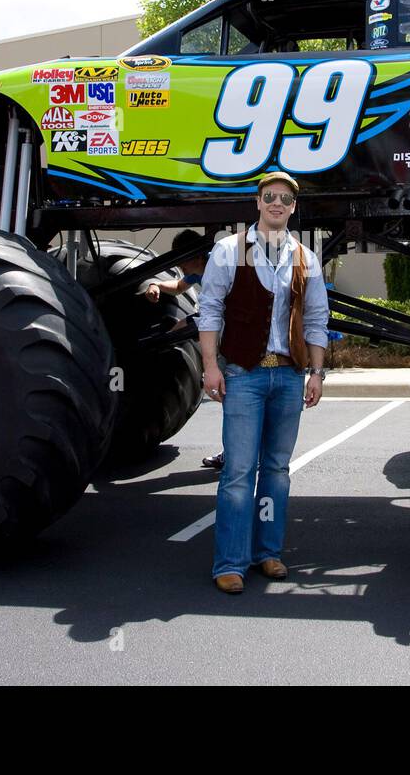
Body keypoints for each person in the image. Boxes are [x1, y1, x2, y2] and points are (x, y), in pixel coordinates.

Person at [196, 172, 330, 594]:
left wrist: (316, 371)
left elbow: (315, 319)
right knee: (238, 472)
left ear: (293, 207)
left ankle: (267, 553)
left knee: (276, 471)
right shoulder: (229, 251)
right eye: (269, 196)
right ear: (257, 202)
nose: (277, 204)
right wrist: (210, 367)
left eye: (285, 199)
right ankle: (230, 563)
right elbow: (210, 309)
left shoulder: (305, 257)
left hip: (289, 376)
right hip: (244, 374)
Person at [142, 230, 227, 470]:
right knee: (229, 398)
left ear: (198, 256)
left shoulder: (215, 270)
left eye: (182, 259)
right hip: (220, 327)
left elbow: (214, 314)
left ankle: (237, 453)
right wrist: (156, 284)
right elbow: (179, 286)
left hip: (230, 333)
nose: (179, 265)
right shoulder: (196, 272)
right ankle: (236, 451)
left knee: (229, 396)